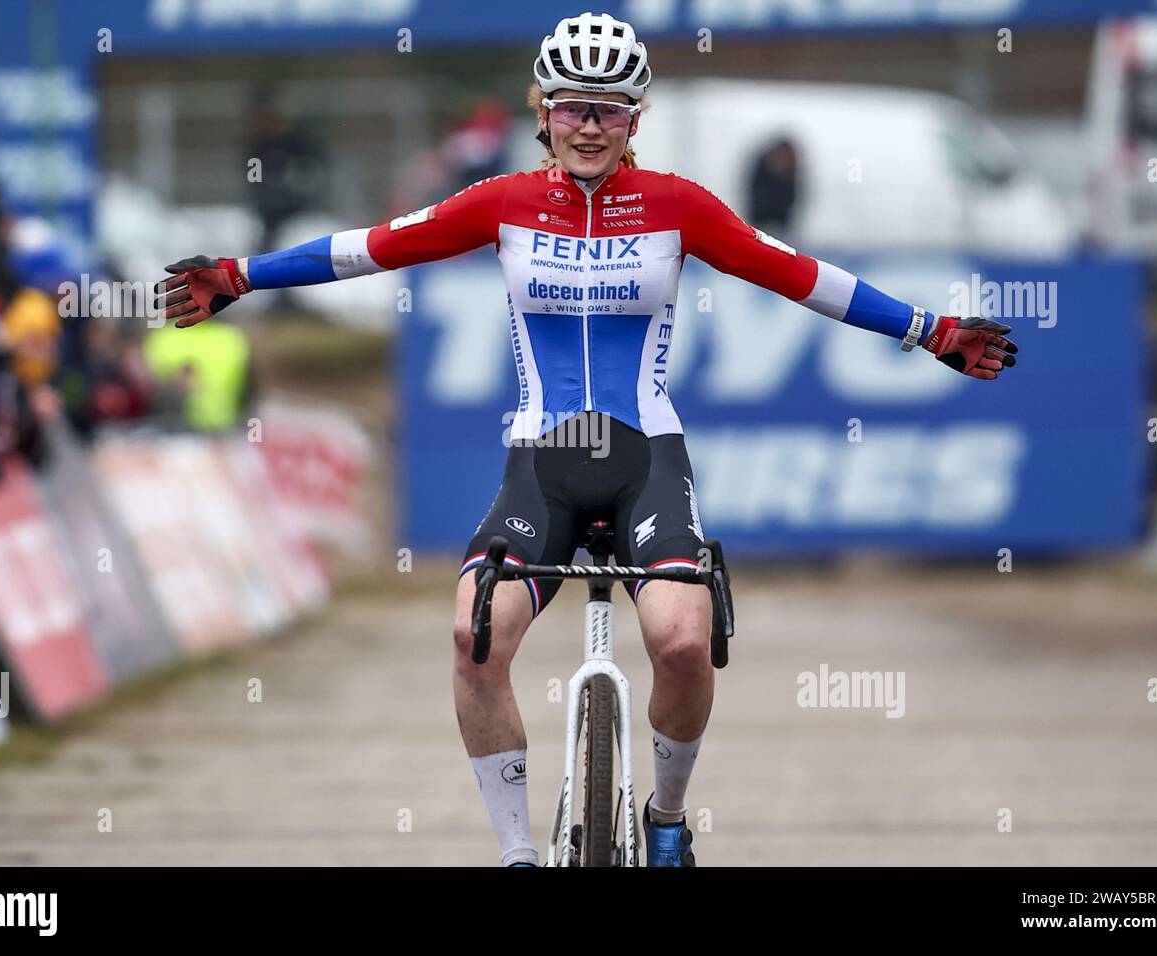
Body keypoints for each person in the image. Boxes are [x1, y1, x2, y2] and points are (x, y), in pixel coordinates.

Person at [155, 11, 1019, 867]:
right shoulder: (504, 204)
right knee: (473, 637)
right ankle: (518, 853)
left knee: (681, 642)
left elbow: (800, 276)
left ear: (635, 119)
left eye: (610, 109)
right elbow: (372, 248)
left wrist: (930, 330)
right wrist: (240, 275)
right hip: (543, 457)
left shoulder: (678, 205)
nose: (591, 126)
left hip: (648, 452)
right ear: (543, 111)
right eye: (574, 106)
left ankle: (670, 817)